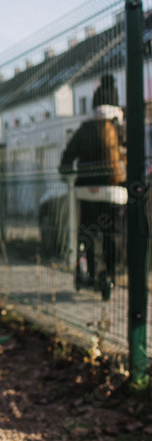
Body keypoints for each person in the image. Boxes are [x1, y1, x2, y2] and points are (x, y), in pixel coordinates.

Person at [59, 73, 127, 298]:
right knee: (113, 235)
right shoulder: (122, 128)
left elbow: (65, 163)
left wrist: (76, 175)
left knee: (87, 233)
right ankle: (109, 276)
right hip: (115, 193)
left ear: (95, 105)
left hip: (86, 193)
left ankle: (88, 272)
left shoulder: (84, 129)